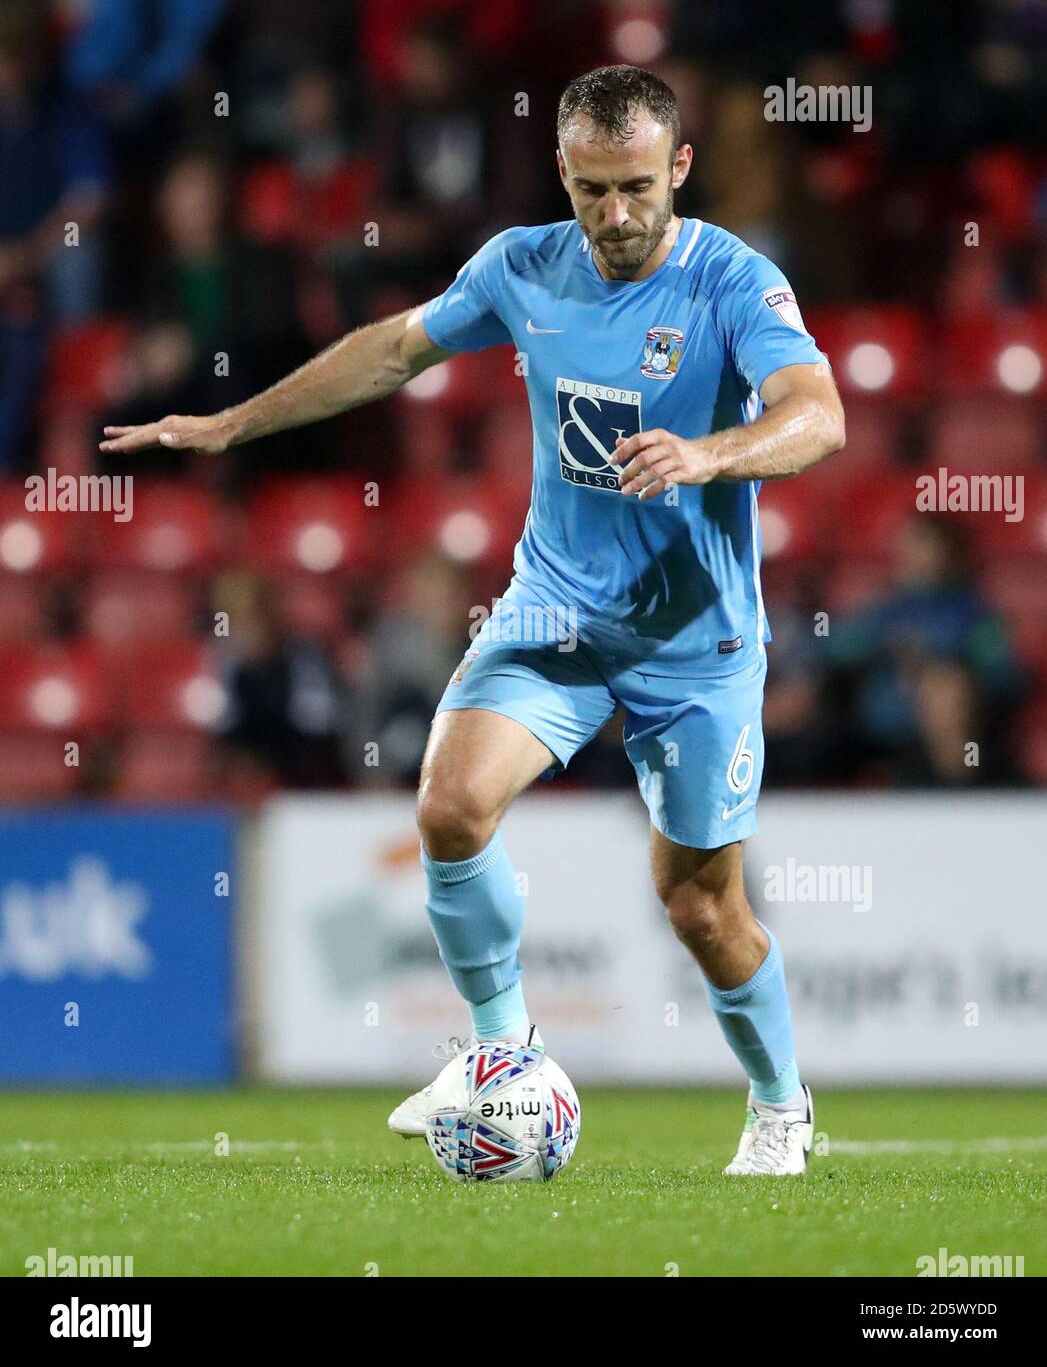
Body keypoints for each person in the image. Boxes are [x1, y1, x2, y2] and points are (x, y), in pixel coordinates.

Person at [100, 65, 846, 1176]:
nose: (617, 215)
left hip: (697, 643)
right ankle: (503, 1050)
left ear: (679, 169)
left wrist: (710, 452)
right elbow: (396, 348)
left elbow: (819, 417)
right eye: (592, 189)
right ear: (563, 173)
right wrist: (234, 422)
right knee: (448, 807)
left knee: (700, 906)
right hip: (554, 610)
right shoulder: (522, 265)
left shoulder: (732, 281)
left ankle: (781, 1105)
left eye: (638, 186)